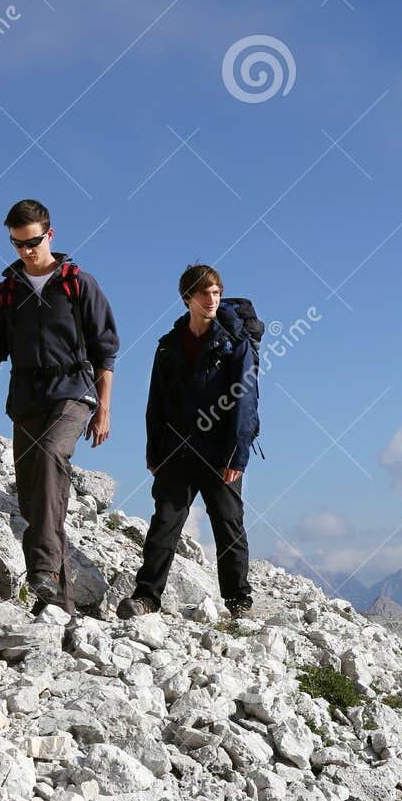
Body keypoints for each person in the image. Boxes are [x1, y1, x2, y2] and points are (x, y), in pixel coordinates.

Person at [0, 199, 119, 614]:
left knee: (50, 456)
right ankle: (58, 608)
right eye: (17, 244)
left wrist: (104, 408)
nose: (27, 250)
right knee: (36, 499)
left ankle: (42, 572)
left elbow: (105, 350)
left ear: (49, 234)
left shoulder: (78, 284)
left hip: (74, 392)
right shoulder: (7, 292)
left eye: (32, 241)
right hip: (26, 398)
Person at [118, 264, 259, 620]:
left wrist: (237, 455)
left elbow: (245, 401)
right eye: (204, 293)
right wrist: (154, 451)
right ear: (187, 299)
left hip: (220, 450)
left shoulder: (234, 344)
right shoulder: (167, 346)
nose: (212, 299)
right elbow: (156, 402)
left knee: (228, 523)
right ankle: (147, 597)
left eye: (216, 292)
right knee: (165, 521)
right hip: (176, 449)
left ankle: (238, 602)